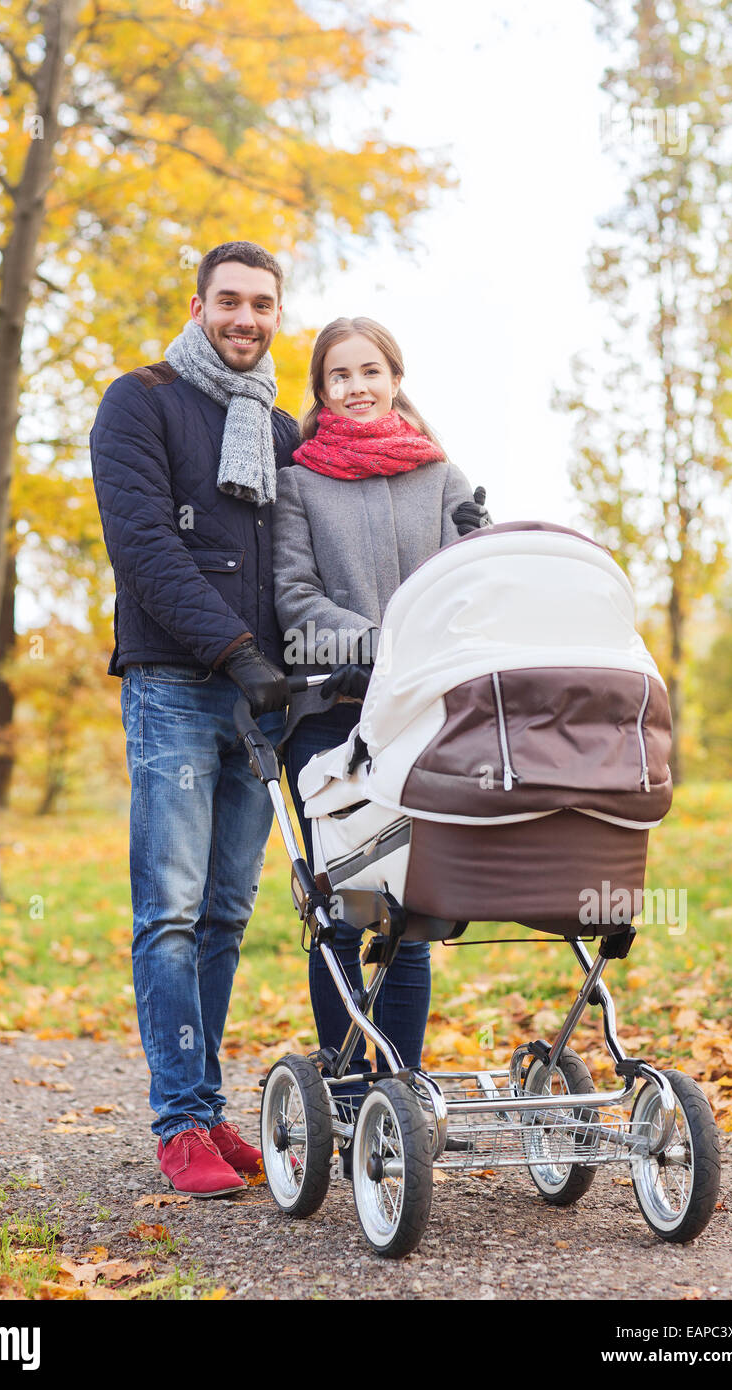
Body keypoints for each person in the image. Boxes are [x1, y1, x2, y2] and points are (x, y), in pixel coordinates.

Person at [90, 242, 299, 1198]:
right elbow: (143, 550)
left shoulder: (281, 424)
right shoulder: (140, 401)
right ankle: (178, 1121)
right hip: (177, 685)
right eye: (229, 301)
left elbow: (325, 536)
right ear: (198, 304)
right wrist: (237, 651)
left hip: (264, 702)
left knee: (226, 912)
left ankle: (208, 1110)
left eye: (261, 303)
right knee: (168, 912)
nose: (245, 318)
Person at [274, 316, 487, 1116]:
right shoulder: (298, 482)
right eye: (339, 376)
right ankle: (339, 1081)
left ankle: (394, 1089)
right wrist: (384, 644)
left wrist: (481, 544)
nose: (356, 387)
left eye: (371, 371)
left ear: (395, 378)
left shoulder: (442, 476)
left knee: (409, 907)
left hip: (423, 723)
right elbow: (293, 599)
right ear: (320, 389)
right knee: (339, 907)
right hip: (332, 715)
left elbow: (474, 580)